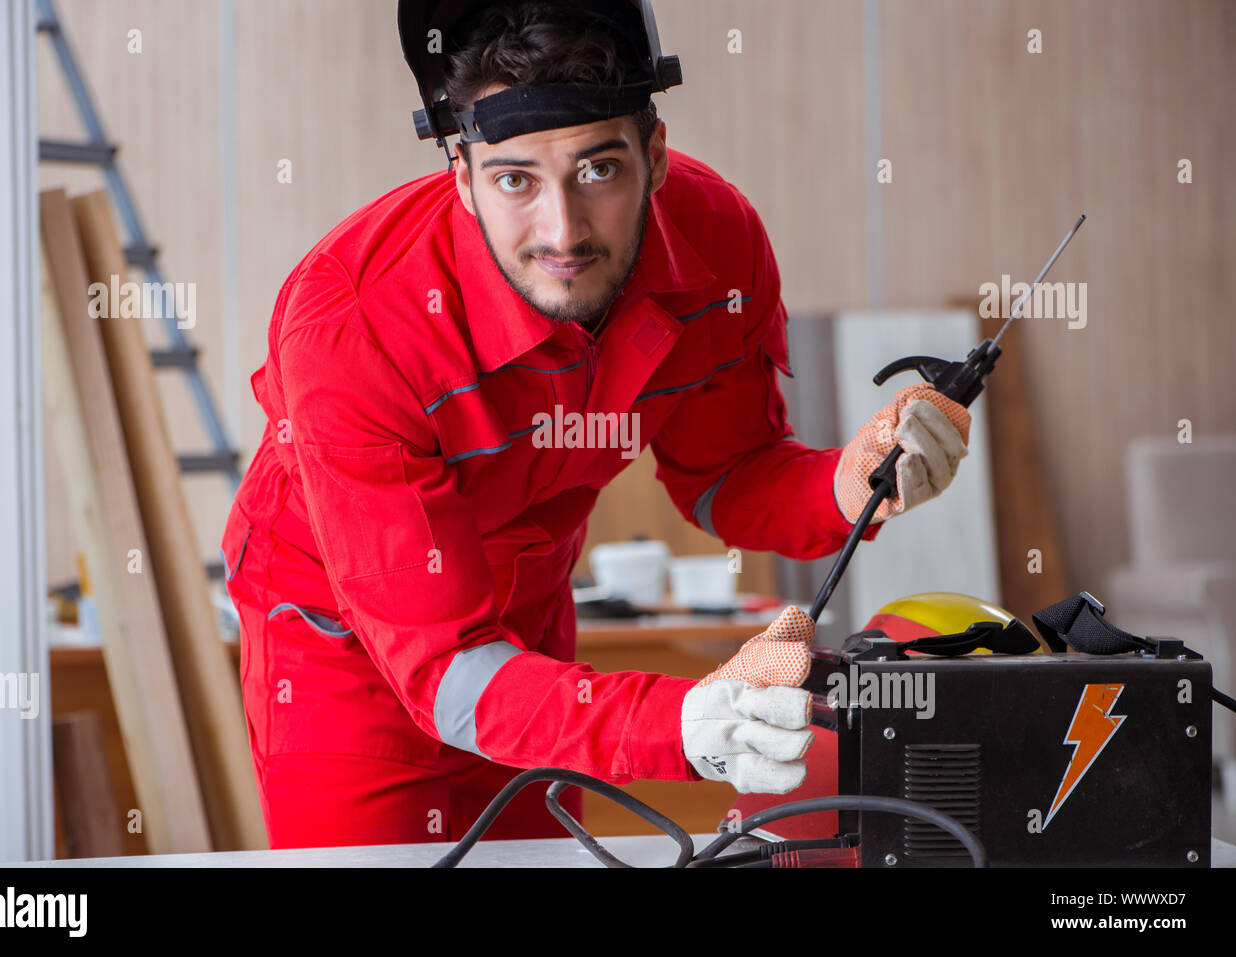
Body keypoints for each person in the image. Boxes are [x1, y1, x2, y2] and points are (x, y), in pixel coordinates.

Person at [221, 0, 971, 848]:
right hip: (345, 651)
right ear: (460, 176)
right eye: (515, 179)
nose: (563, 232)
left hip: (532, 624)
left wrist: (853, 477)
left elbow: (727, 479)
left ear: (654, 154)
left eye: (598, 169)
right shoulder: (351, 322)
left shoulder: (716, 243)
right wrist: (683, 724)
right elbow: (447, 673)